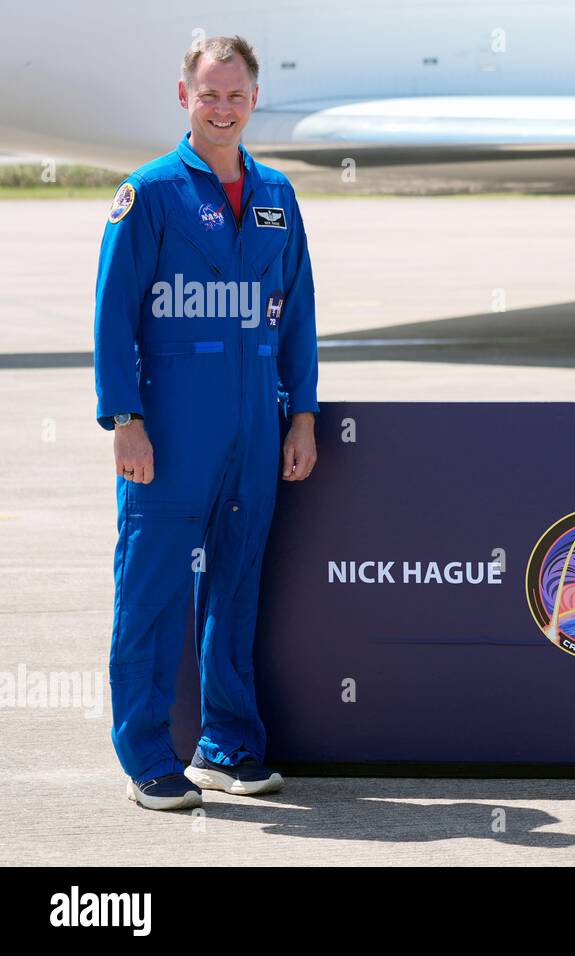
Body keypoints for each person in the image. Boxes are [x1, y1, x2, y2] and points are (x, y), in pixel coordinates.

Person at [94, 35, 319, 811]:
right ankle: (147, 756)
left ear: (255, 101)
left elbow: (296, 321)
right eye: (208, 94)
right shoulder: (148, 194)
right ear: (183, 97)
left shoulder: (277, 196)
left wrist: (303, 416)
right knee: (151, 592)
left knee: (237, 586)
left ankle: (226, 746)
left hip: (257, 428)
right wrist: (125, 419)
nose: (222, 109)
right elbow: (113, 320)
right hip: (170, 430)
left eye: (236, 96)